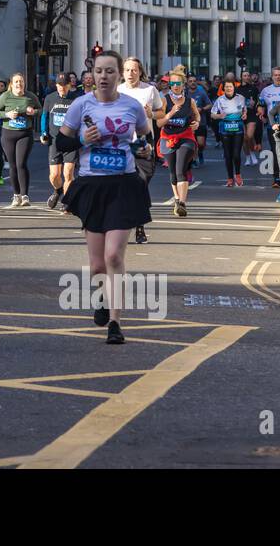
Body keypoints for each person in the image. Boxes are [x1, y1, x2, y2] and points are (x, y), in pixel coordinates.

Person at [55, 50, 154, 345]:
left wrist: (144, 150)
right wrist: (83, 140)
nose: (104, 76)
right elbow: (61, 140)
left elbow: (144, 138)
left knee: (114, 256)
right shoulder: (80, 105)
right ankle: (100, 298)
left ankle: (115, 322)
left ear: (119, 74)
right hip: (92, 187)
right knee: (97, 265)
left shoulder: (132, 106)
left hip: (122, 185)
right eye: (99, 71)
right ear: (92, 75)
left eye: (110, 71)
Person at [118, 57, 165, 243]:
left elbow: (161, 112)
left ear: (140, 72)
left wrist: (150, 114)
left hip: (143, 143)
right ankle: (136, 227)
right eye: (127, 70)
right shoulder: (117, 91)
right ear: (122, 73)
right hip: (121, 143)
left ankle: (138, 222)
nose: (131, 73)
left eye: (134, 70)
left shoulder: (150, 90)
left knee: (141, 183)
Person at [0, 72, 40, 207]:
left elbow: (41, 110)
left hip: (25, 134)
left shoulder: (30, 96)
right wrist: (7, 114)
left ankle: (25, 196)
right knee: (12, 166)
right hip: (8, 134)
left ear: (24, 83)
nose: (19, 84)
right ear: (12, 84)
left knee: (21, 164)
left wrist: (34, 112)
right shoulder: (5, 96)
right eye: (17, 82)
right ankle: (16, 195)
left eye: (21, 81)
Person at [158, 66, 200, 217]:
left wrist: (197, 123)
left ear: (183, 85)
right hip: (168, 138)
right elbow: (159, 124)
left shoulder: (190, 101)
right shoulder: (164, 101)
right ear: (170, 85)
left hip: (186, 137)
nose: (176, 86)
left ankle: (182, 203)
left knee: (180, 169)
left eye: (178, 84)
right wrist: (170, 113)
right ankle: (177, 199)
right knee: (172, 174)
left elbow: (197, 116)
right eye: (173, 84)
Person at [40, 73, 80, 213]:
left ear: (70, 85)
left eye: (64, 85)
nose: (61, 88)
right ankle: (57, 191)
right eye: (59, 85)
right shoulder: (50, 98)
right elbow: (44, 116)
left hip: (71, 141)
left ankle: (67, 201)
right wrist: (43, 133)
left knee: (68, 173)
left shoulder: (76, 99)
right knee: (54, 176)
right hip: (55, 141)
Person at [257, 67, 280, 189]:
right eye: (275, 75)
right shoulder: (266, 91)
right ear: (272, 77)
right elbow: (261, 105)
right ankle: (277, 178)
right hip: (273, 126)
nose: (277, 77)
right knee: (276, 152)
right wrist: (261, 113)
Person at [211, 79, 248, 187]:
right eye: (226, 87)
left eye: (230, 86)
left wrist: (244, 114)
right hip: (225, 130)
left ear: (234, 87)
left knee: (236, 154)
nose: (228, 89)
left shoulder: (240, 98)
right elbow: (212, 114)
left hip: (238, 129)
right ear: (223, 89)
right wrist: (219, 116)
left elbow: (244, 110)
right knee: (228, 155)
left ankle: (237, 174)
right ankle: (230, 178)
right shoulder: (220, 100)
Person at [186, 74, 212, 167]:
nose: (192, 83)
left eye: (194, 81)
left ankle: (200, 153)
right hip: (188, 123)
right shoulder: (184, 94)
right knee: (192, 143)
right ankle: (193, 159)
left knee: (201, 144)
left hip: (201, 121)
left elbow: (210, 104)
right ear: (187, 83)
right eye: (190, 81)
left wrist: (202, 109)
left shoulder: (201, 93)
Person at [236, 71, 260, 167]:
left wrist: (255, 104)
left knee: (249, 136)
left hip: (251, 115)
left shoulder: (254, 89)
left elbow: (259, 102)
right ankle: (247, 157)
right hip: (240, 115)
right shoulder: (237, 90)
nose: (246, 77)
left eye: (248, 75)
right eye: (244, 76)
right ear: (241, 77)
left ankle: (253, 154)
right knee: (243, 138)